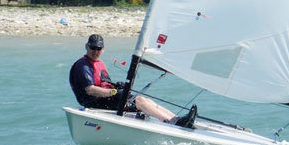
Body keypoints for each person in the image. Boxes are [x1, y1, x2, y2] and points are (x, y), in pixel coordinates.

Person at [69, 34, 197, 128]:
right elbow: (90, 90)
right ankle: (171, 122)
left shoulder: (98, 63)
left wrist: (118, 87)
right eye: (92, 48)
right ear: (87, 46)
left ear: (103, 49)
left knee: (145, 100)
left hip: (106, 99)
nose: (95, 51)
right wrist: (114, 92)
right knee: (139, 101)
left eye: (98, 49)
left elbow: (104, 84)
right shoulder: (83, 66)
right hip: (95, 102)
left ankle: (176, 118)